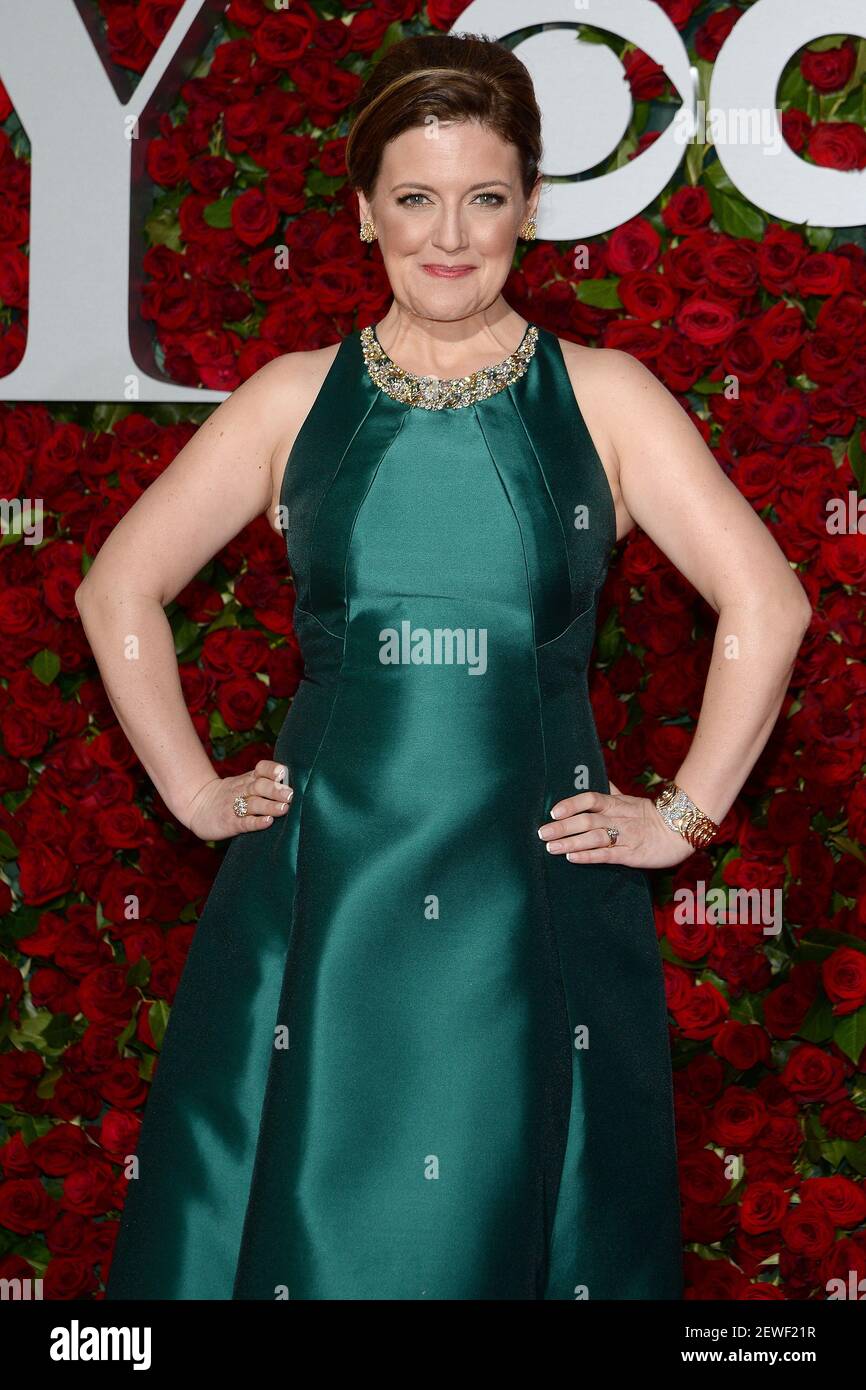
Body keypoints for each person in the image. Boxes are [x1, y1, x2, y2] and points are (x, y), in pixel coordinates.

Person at [83, 32, 811, 1301]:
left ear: (530, 206)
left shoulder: (607, 398)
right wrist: (199, 795)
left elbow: (768, 599)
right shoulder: (288, 399)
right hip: (317, 899)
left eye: (484, 197)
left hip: (525, 905)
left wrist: (680, 816)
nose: (449, 235)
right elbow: (115, 587)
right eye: (414, 199)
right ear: (364, 212)